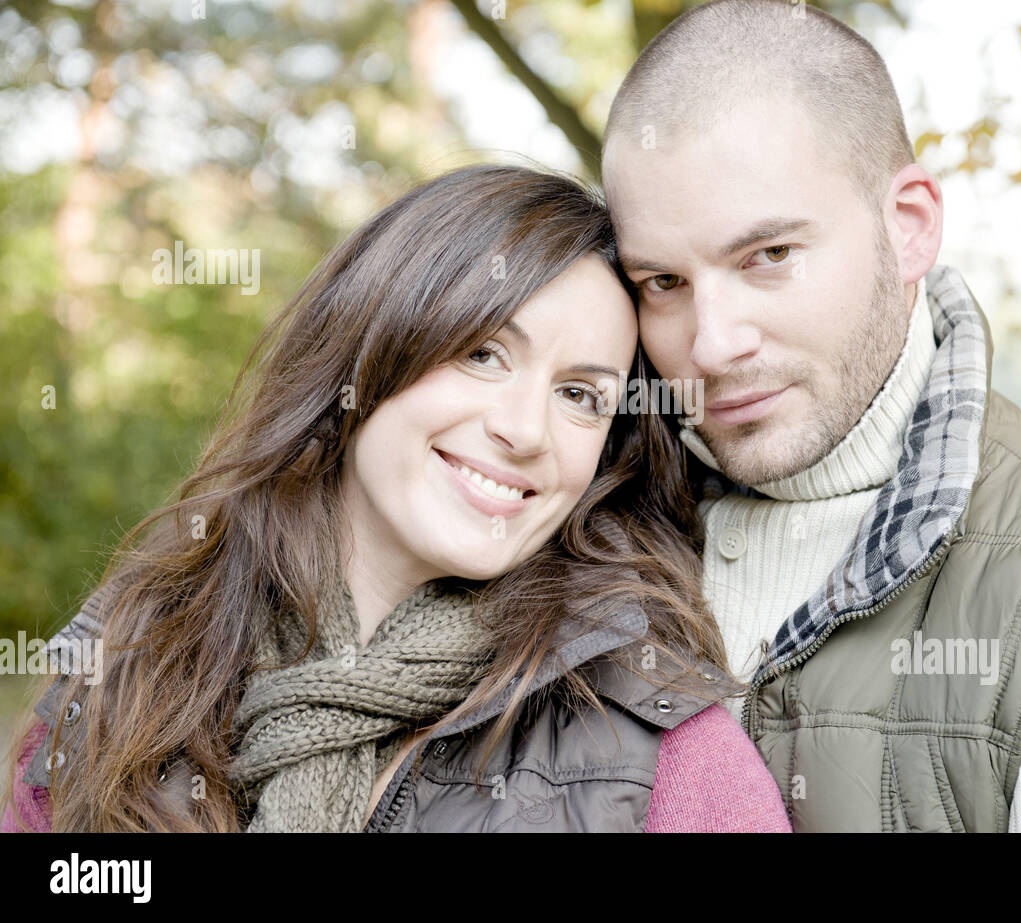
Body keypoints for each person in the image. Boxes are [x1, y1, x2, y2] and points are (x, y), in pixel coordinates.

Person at [599, 0, 1021, 831]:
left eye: (769, 255)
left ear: (911, 226)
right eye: (663, 282)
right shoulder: (577, 532)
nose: (711, 343)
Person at [2, 163, 791, 833]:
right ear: (370, 345)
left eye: (581, 395)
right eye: (484, 353)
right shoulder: (139, 654)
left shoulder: (668, 753)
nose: (524, 430)